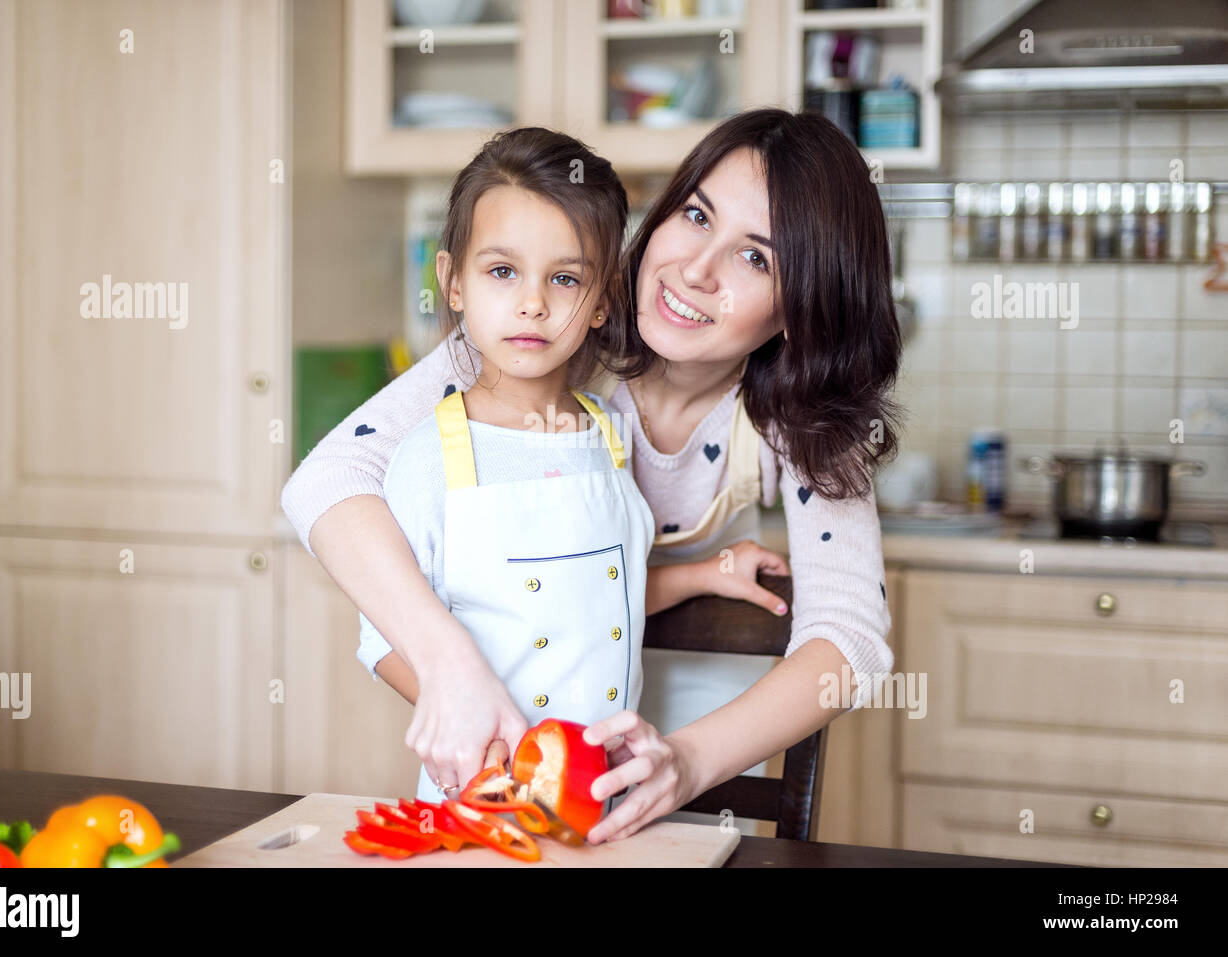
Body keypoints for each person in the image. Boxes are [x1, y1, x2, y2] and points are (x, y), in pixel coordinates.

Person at [282, 109, 902, 844]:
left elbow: (850, 636)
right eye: (697, 215)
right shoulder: (544, 335)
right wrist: (456, 672)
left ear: (803, 304)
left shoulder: (807, 416)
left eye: (756, 258)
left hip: (694, 724)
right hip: (516, 720)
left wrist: (689, 758)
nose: (696, 270)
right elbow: (327, 479)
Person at [345, 126, 788, 808]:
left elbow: (602, 592)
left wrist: (707, 573)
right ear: (453, 283)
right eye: (502, 272)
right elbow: (381, 638)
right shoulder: (429, 454)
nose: (532, 302)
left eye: (565, 278)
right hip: (481, 795)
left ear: (605, 298)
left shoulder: (610, 434)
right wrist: (477, 722)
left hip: (603, 794)